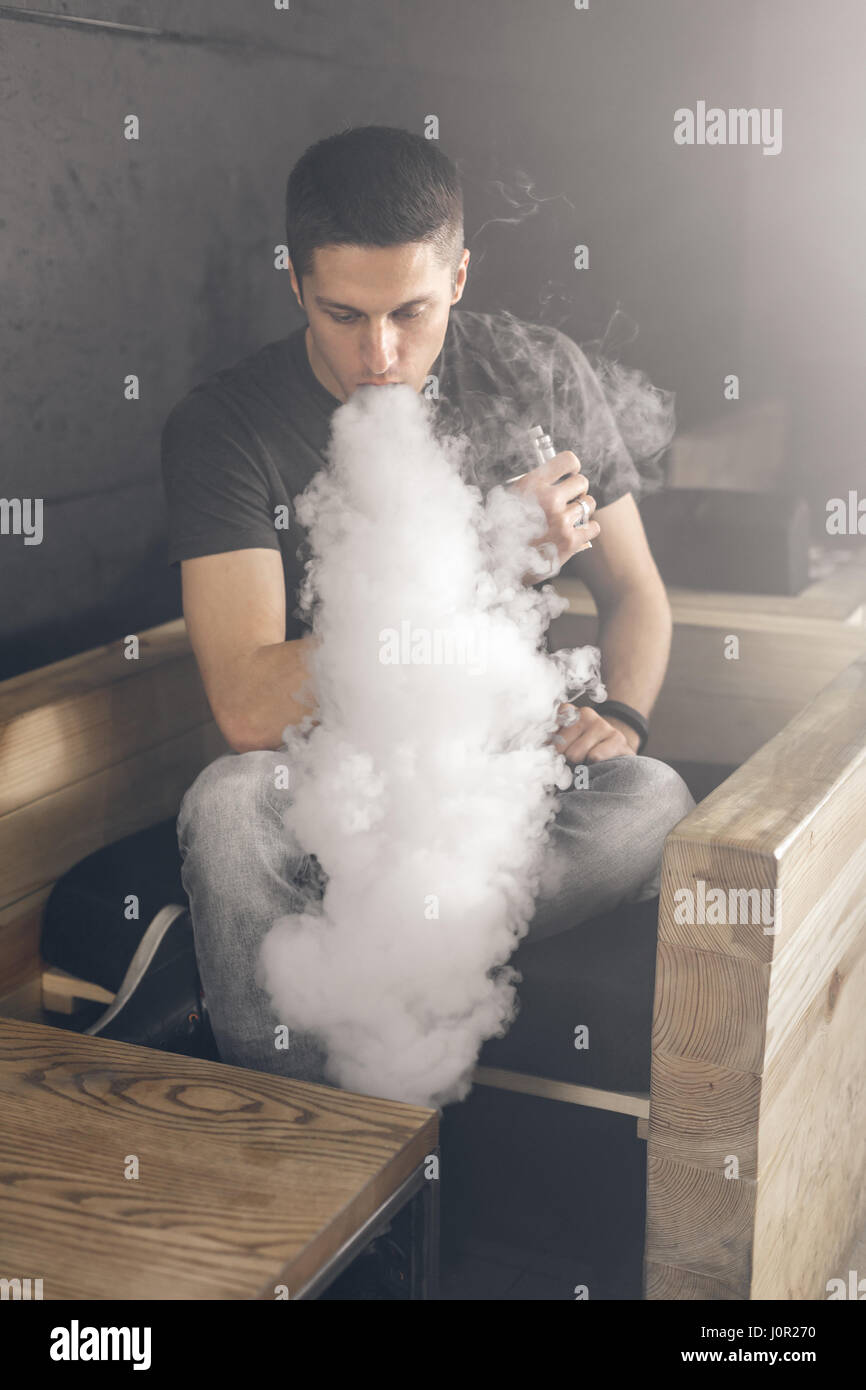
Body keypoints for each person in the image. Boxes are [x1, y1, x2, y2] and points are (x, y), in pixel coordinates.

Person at [158, 125, 695, 1084]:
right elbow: (246, 706)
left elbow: (638, 593)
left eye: (410, 309)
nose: (380, 351)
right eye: (342, 314)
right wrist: (492, 560)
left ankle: (411, 938)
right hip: (325, 799)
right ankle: (299, 1144)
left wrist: (621, 712)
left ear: (458, 277)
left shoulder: (540, 374)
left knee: (651, 800)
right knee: (229, 810)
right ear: (294, 283)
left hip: (496, 784)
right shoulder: (224, 428)